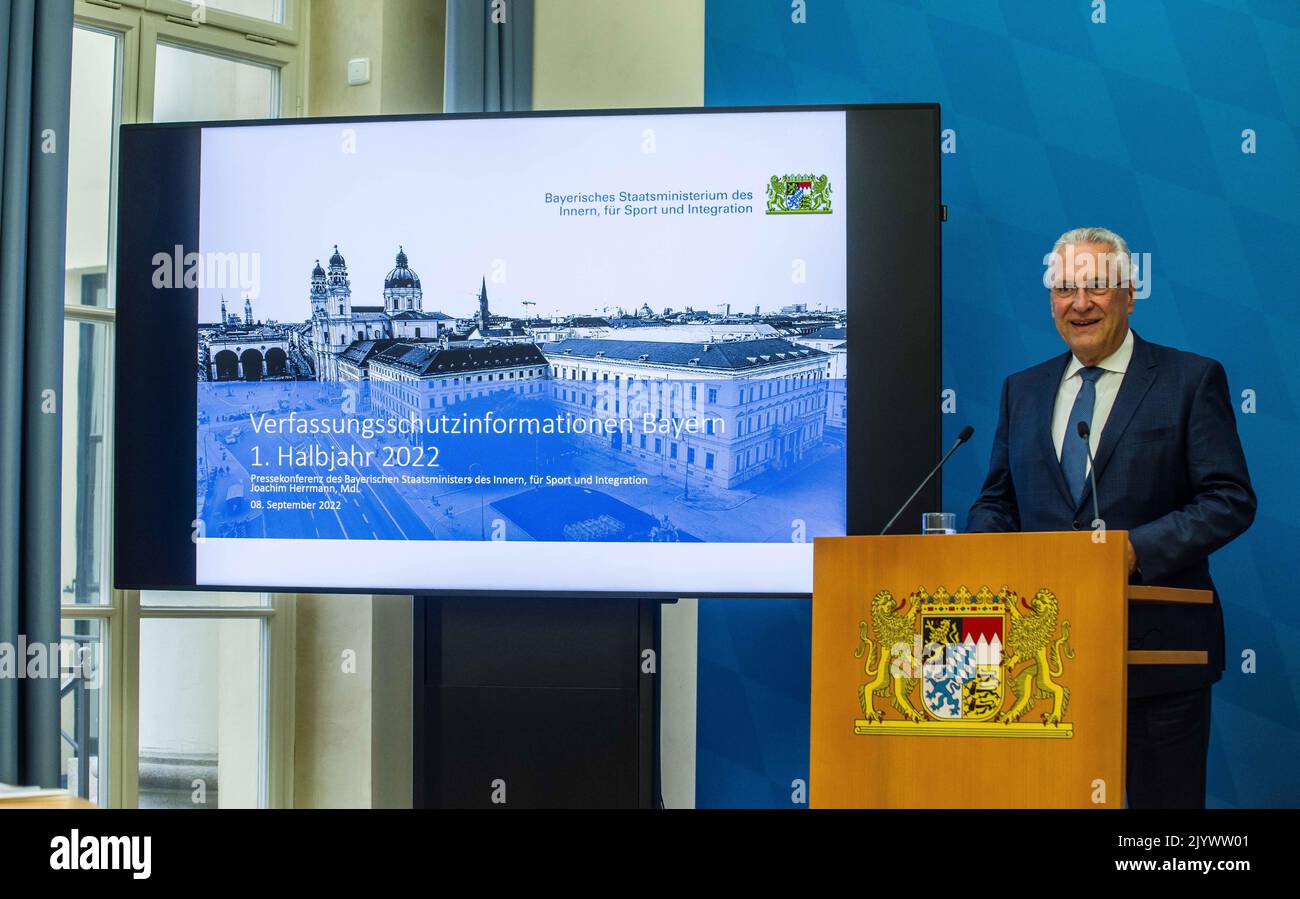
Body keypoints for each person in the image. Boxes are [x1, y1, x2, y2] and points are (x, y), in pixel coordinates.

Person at [967, 226, 1256, 808]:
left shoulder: (1190, 380)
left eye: (1096, 287)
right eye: (1065, 288)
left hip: (1155, 655)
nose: (1080, 303)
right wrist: (986, 553)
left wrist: (1133, 552)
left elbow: (1229, 498)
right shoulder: (1021, 390)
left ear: (1129, 292)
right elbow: (998, 501)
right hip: (1038, 659)